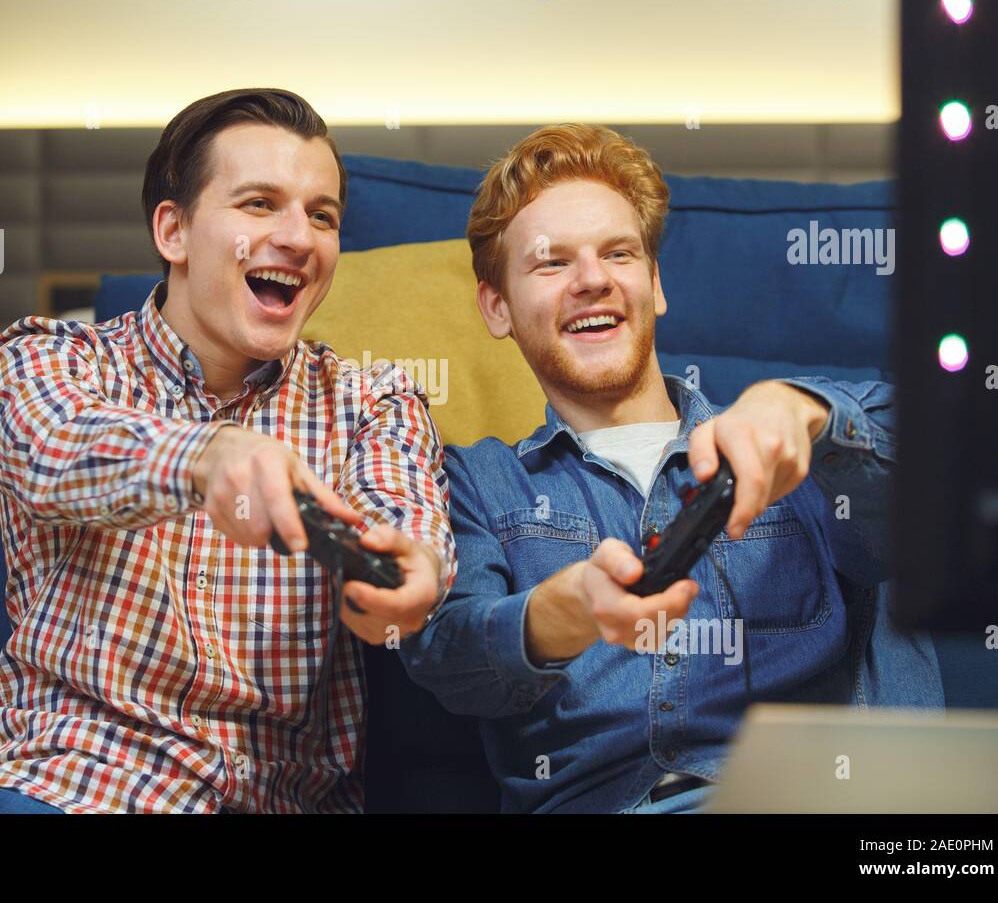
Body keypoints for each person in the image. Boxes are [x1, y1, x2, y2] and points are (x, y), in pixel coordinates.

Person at [0, 89, 454, 814]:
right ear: (174, 230)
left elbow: (409, 520)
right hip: (65, 785)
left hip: (279, 798)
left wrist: (408, 579)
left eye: (322, 215)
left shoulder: (372, 401)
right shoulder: (51, 360)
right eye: (260, 204)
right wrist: (208, 456)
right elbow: (48, 452)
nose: (299, 237)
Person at [398, 123, 943, 814]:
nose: (592, 280)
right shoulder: (476, 482)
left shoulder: (792, 435)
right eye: (551, 262)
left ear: (654, 284)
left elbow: (939, 488)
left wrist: (808, 412)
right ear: (497, 305)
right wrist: (560, 614)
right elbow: (449, 659)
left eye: (618, 254)